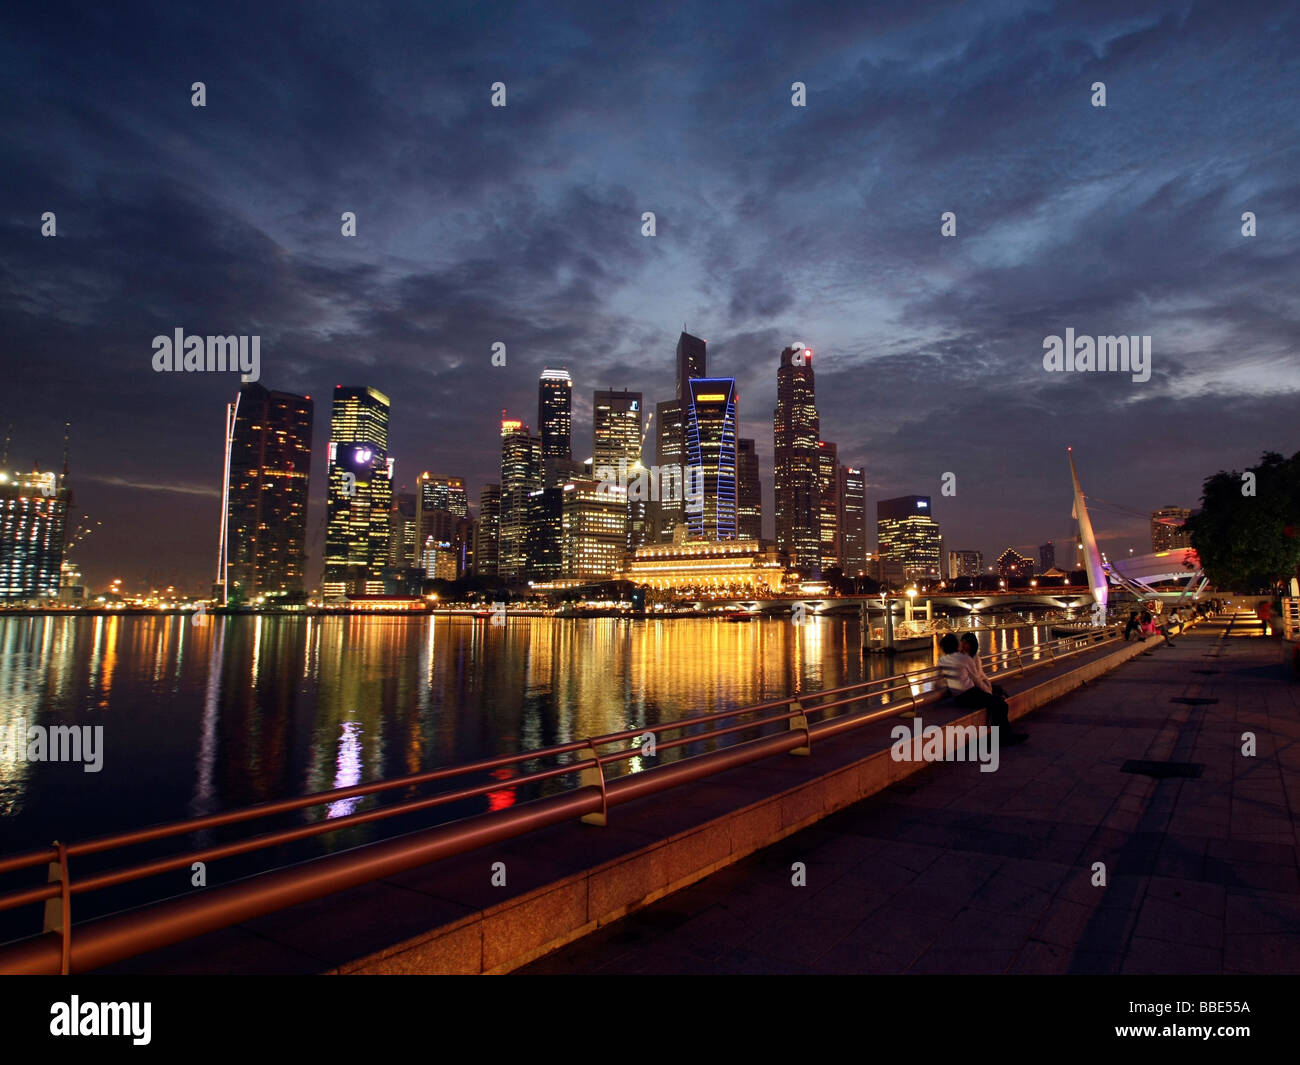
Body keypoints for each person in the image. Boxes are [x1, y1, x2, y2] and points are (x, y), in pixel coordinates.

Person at [936, 633, 1027, 745]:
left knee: (996, 703)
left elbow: (938, 683)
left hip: (958, 698)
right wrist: (988, 693)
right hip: (970, 693)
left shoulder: (941, 661)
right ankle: (1003, 738)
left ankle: (1003, 736)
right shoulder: (965, 659)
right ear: (956, 645)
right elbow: (977, 681)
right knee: (1001, 704)